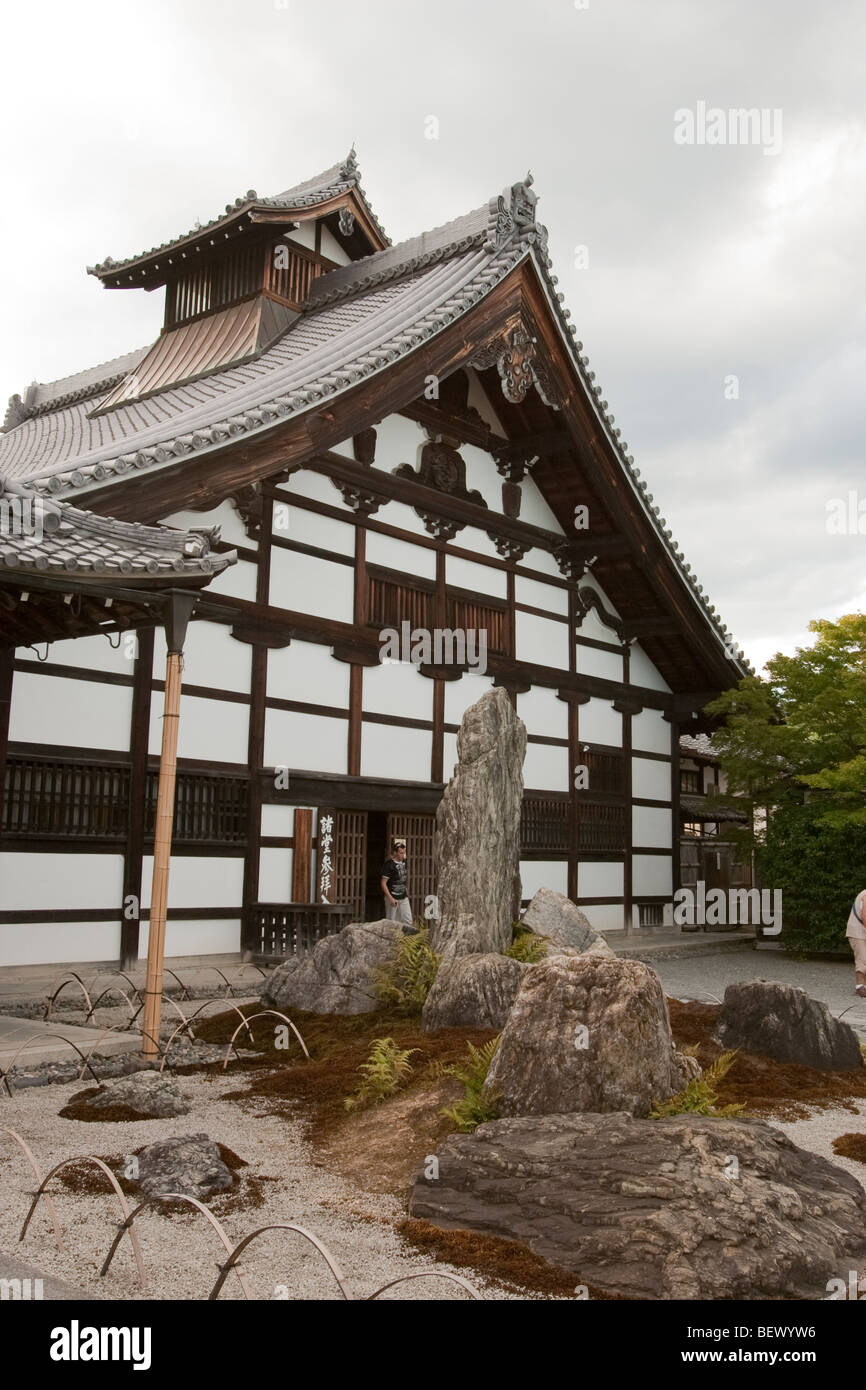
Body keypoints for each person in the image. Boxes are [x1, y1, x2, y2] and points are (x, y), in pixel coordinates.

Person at [381, 838, 413, 928]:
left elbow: (403, 878)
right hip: (392, 897)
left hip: (403, 896)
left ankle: (406, 940)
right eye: (401, 853)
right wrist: (390, 898)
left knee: (408, 920)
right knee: (392, 922)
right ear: (395, 853)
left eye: (404, 852)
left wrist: (405, 889)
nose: (403, 855)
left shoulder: (405, 863)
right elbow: (383, 883)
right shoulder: (389, 865)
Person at [846, 888, 866, 997]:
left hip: (863, 930)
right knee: (863, 959)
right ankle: (860, 987)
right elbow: (865, 916)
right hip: (858, 931)